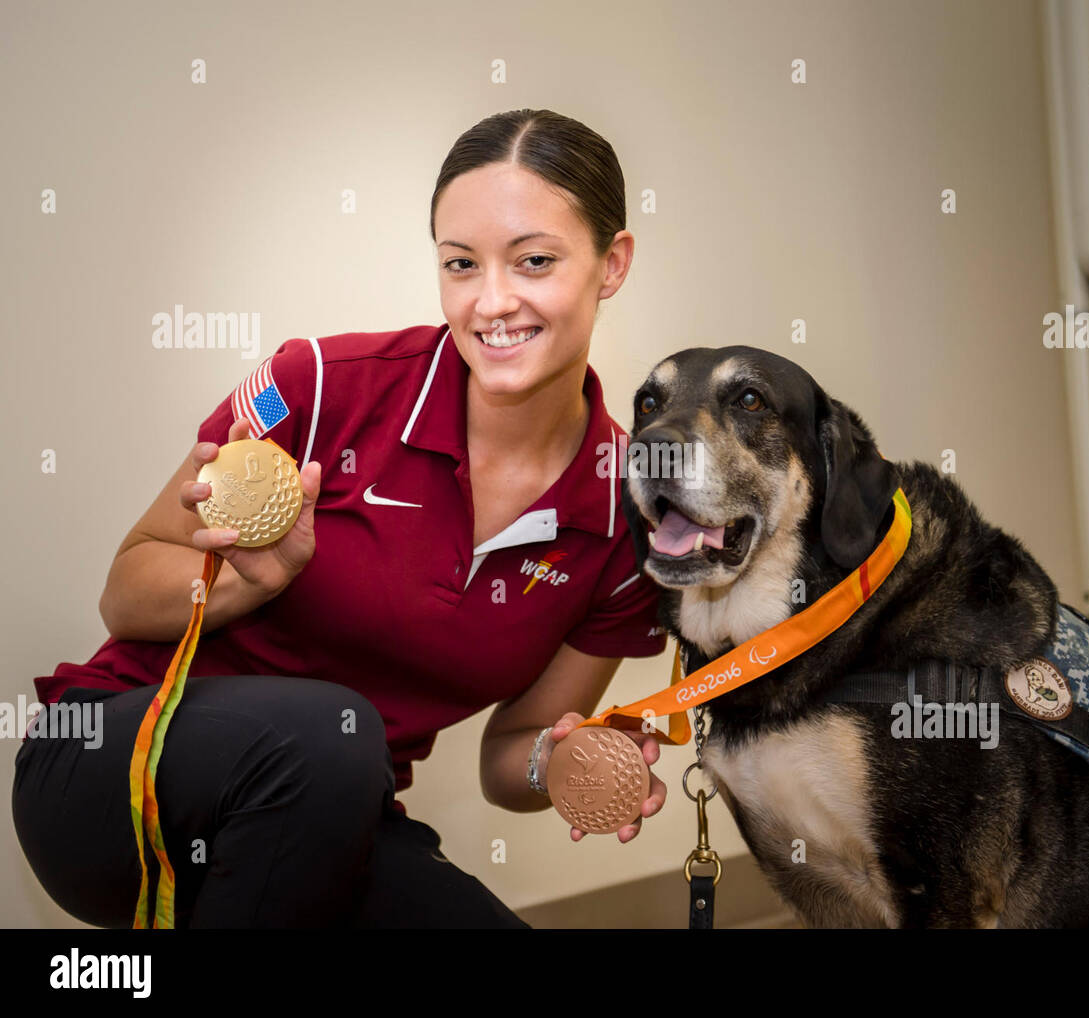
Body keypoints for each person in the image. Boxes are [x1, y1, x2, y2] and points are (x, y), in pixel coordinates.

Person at [11, 109, 669, 929]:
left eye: (534, 261)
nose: (493, 302)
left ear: (612, 265)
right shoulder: (315, 384)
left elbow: (512, 754)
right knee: (334, 730)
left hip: (326, 829)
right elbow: (124, 594)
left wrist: (557, 762)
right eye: (461, 265)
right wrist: (255, 585)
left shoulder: (627, 518)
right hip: (110, 771)